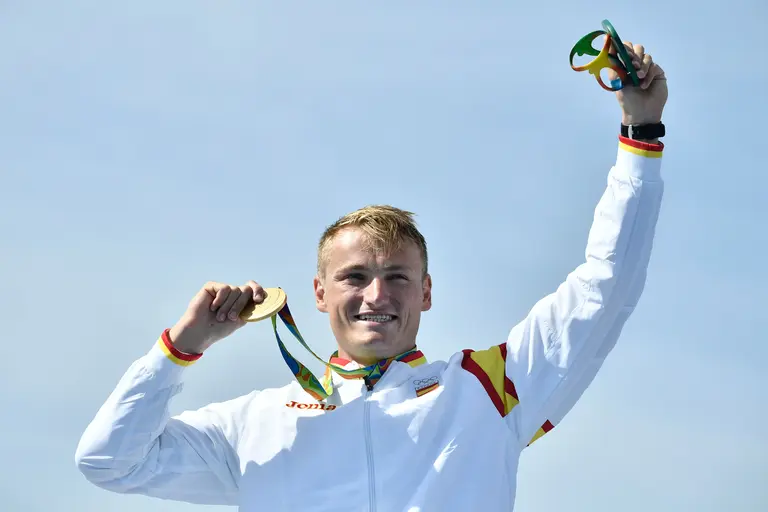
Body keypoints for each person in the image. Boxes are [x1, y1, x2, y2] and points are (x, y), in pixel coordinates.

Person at [75, 40, 668, 511]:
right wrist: (182, 347)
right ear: (318, 293)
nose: (376, 296)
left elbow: (607, 283)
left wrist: (640, 135)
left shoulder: (488, 389)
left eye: (398, 278)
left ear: (428, 291)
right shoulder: (254, 423)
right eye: (355, 277)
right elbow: (108, 461)